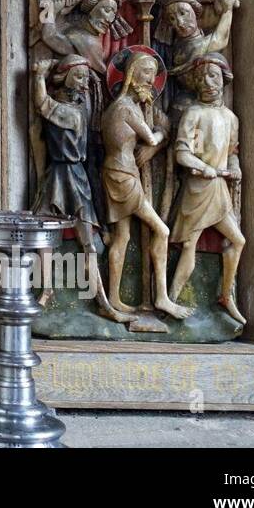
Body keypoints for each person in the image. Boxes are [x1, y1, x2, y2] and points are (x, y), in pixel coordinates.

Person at [31, 56, 132, 323]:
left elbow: (42, 104)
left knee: (88, 241)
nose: (83, 82)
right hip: (57, 176)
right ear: (63, 77)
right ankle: (47, 290)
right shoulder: (70, 107)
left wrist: (39, 76)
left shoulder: (75, 112)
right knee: (45, 235)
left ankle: (102, 300)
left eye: (86, 78)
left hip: (74, 176)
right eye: (78, 76)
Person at [100, 50, 192, 320]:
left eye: (153, 73)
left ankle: (115, 298)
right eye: (146, 72)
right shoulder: (126, 107)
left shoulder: (120, 106)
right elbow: (151, 139)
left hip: (118, 171)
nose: (151, 79)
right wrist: (163, 132)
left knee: (122, 237)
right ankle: (162, 298)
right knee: (161, 230)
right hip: (124, 176)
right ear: (131, 75)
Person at [168, 54, 245, 325]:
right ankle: (171, 298)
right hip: (199, 188)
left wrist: (234, 166)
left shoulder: (230, 117)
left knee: (238, 240)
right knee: (189, 244)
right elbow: (183, 152)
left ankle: (226, 295)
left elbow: (232, 151)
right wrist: (204, 167)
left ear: (224, 78)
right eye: (201, 77)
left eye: (213, 76)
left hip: (219, 189)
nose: (208, 82)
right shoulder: (194, 113)